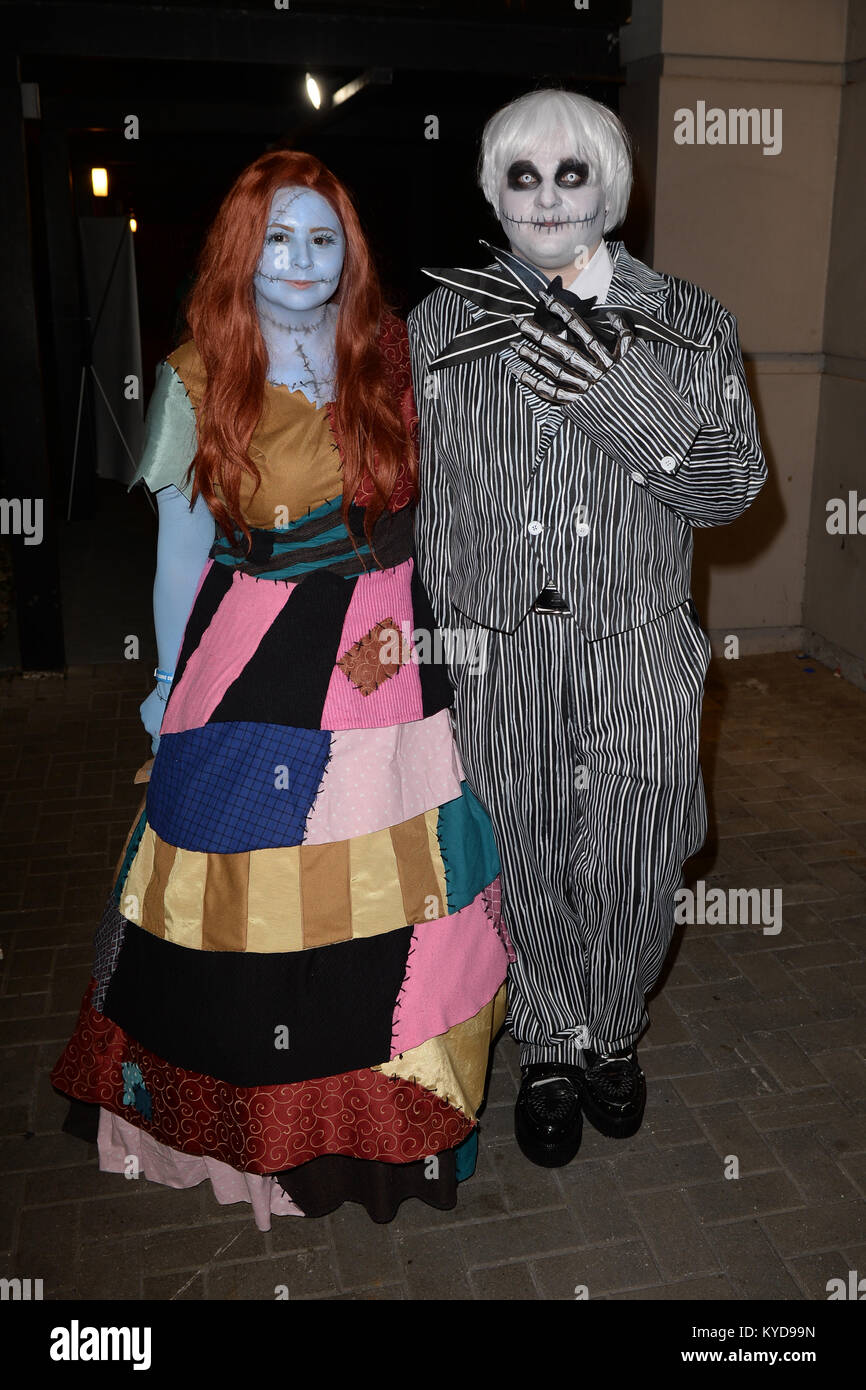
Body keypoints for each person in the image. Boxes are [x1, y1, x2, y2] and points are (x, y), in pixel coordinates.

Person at [52, 150, 511, 1227]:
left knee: (406, 894)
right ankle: (274, 1139)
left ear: (346, 252)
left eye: (322, 237)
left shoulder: (383, 354)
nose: (300, 260)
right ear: (238, 252)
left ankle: (388, 1134)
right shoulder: (196, 375)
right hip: (258, 649)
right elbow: (178, 554)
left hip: (391, 654)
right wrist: (165, 687)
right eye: (276, 237)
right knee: (250, 884)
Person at [407, 89, 766, 1168]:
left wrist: (622, 394)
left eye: (572, 174)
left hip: (638, 641)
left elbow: (730, 490)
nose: (548, 197)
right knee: (520, 851)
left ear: (608, 188)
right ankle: (552, 1049)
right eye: (523, 175)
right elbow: (420, 504)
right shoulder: (440, 324)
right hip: (499, 647)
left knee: (634, 853)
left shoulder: (690, 321)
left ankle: (613, 1029)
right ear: (491, 190)